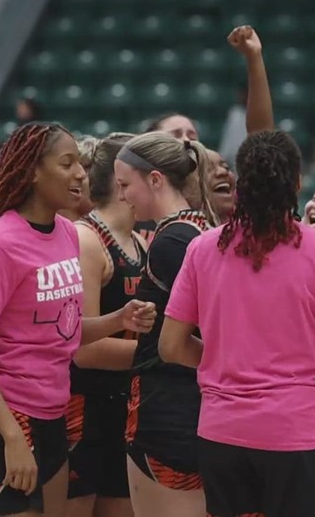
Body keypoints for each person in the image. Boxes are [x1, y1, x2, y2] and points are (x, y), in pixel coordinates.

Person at [0, 122, 155, 517]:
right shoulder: (1, 244)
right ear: (33, 172)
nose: (80, 173)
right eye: (67, 163)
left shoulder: (66, 233)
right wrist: (12, 437)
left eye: (81, 164)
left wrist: (117, 319)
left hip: (54, 414)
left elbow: (62, 328)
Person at [159, 130, 315, 517]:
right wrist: (313, 343)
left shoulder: (203, 247)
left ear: (243, 182)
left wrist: (228, 355)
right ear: (297, 183)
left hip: (221, 432)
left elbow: (171, 346)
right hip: (296, 435)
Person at [115, 132, 216, 517]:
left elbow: (209, 330)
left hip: (167, 409)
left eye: (126, 185)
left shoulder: (172, 242)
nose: (123, 196)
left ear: (155, 179)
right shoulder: (200, 228)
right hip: (194, 404)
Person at [66, 133, 147, 517]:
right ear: (122, 181)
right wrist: (163, 356)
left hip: (126, 406)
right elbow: (84, 348)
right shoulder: (87, 238)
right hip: (84, 408)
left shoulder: (142, 241)